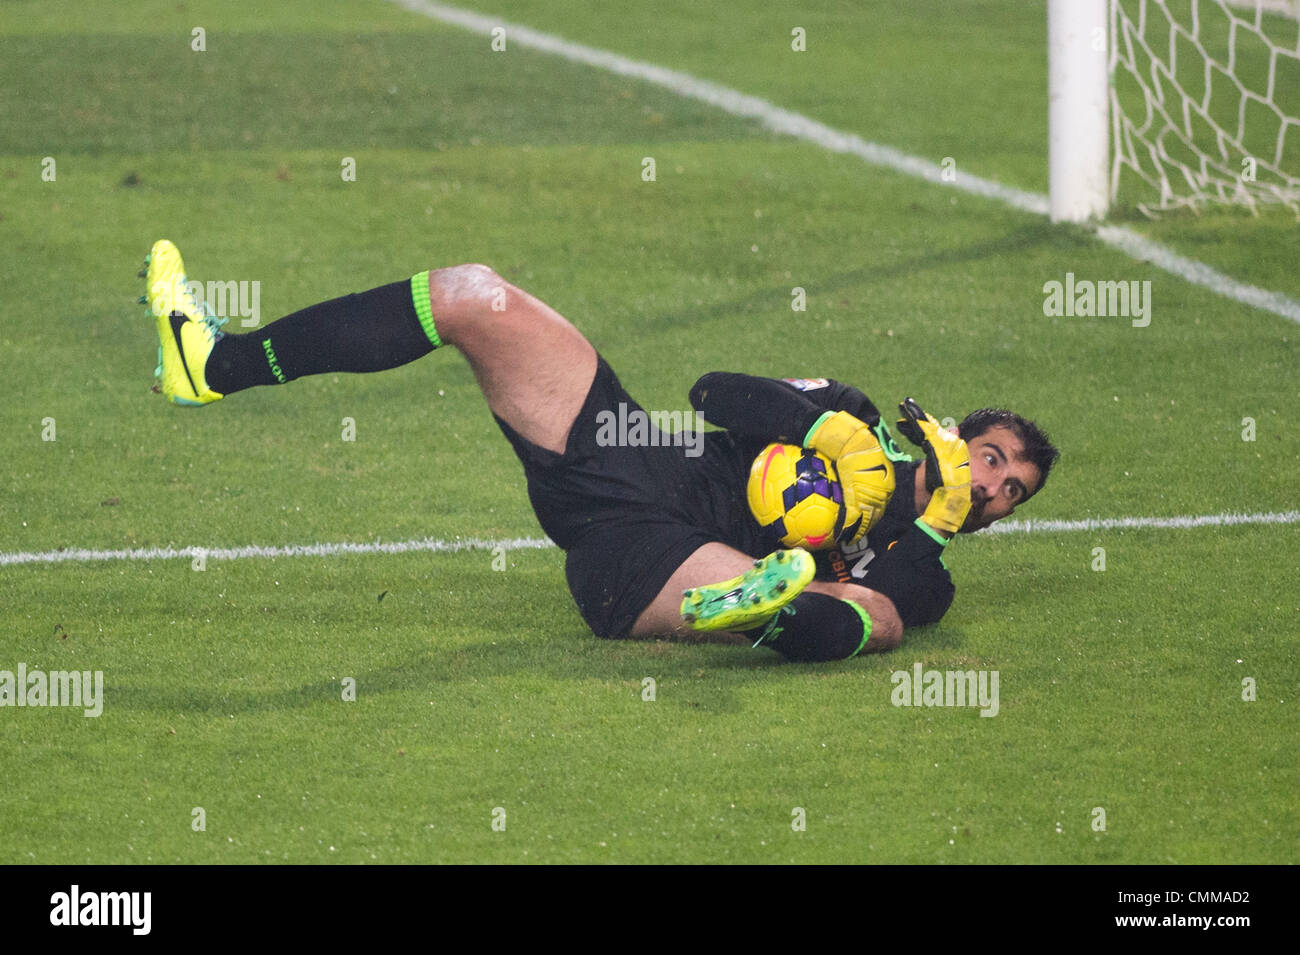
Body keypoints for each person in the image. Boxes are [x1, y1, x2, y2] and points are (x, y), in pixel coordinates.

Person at [143, 240, 1058, 662]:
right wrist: (828, 428)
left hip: (642, 559)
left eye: (1011, 491)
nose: (993, 485)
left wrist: (929, 527)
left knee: (875, 621)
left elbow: (897, 600)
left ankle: (756, 606)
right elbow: (712, 393)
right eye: (993, 458)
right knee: (477, 294)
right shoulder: (850, 412)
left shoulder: (927, 571)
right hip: (630, 462)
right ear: (950, 433)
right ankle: (212, 362)